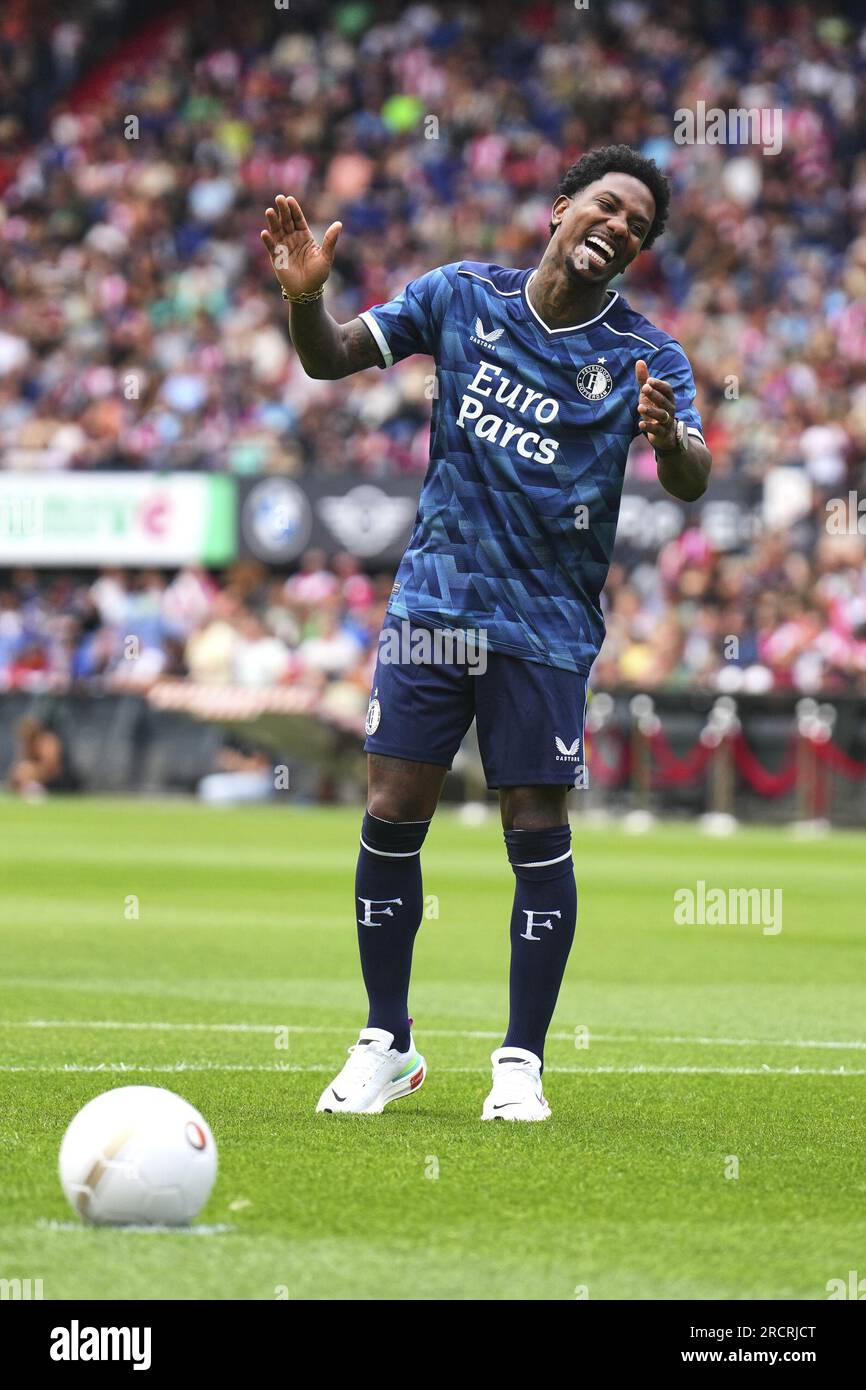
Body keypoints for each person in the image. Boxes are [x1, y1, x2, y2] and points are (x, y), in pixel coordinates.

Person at [261, 144, 711, 1121]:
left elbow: (692, 475)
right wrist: (305, 297)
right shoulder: (460, 294)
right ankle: (387, 1037)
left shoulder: (644, 354)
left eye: (635, 226)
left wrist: (668, 435)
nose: (616, 227)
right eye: (606, 205)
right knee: (391, 803)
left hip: (544, 626)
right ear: (559, 209)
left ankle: (519, 1060)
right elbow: (331, 355)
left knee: (534, 828)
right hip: (432, 602)